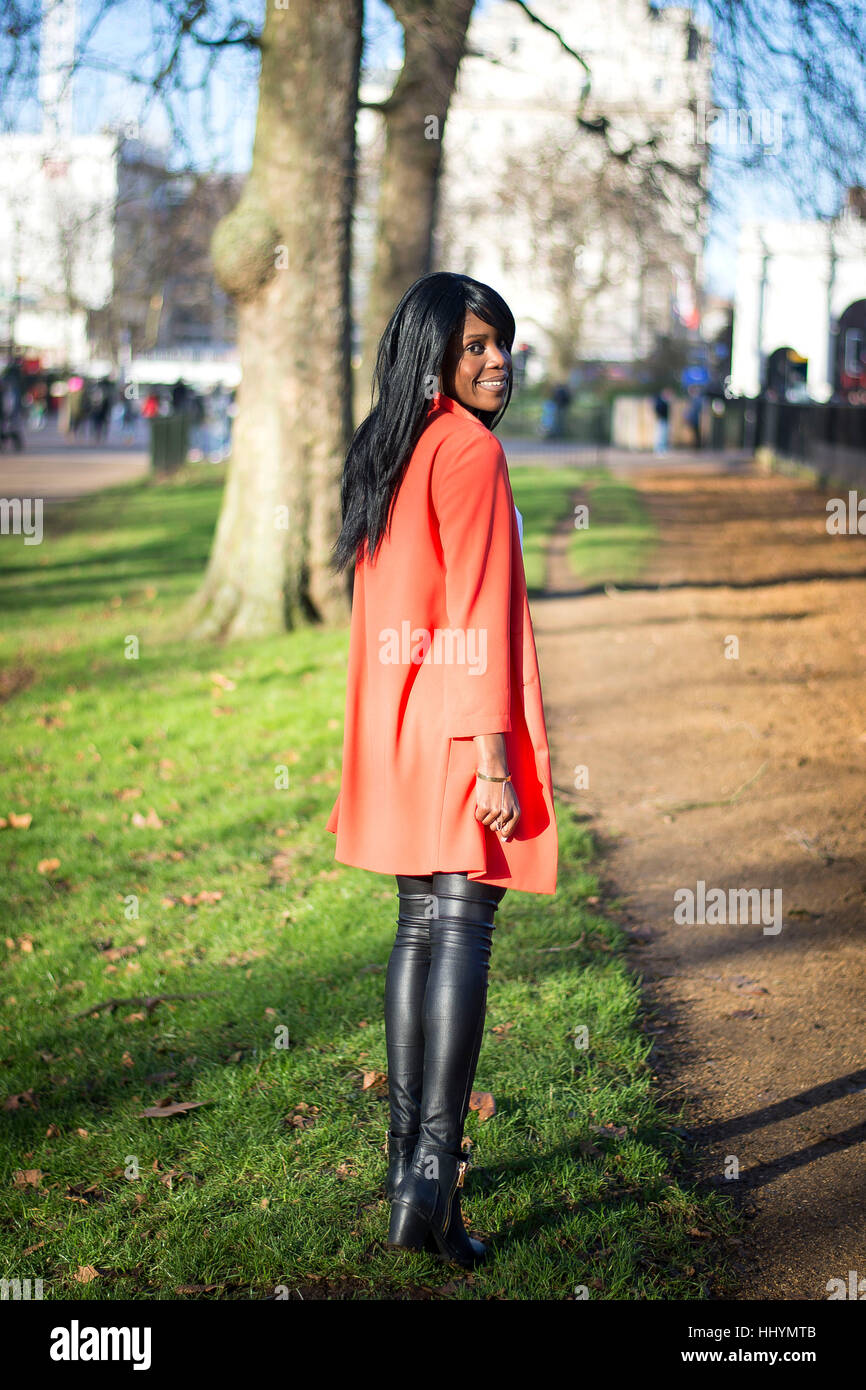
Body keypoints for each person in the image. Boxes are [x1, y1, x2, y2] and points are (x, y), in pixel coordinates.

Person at [327, 271, 558, 1268]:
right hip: (459, 730)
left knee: (420, 925)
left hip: (402, 725)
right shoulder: (466, 450)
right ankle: (432, 1176)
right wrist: (492, 760)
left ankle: (403, 1175)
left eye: (500, 342)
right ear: (432, 355)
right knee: (458, 932)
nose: (494, 359)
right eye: (472, 347)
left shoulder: (390, 444)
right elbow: (470, 612)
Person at [653, 388, 670, 454]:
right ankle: (658, 449)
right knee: (660, 436)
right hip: (661, 420)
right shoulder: (660, 401)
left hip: (665, 420)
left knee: (664, 436)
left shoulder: (664, 401)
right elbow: (658, 410)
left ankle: (663, 449)